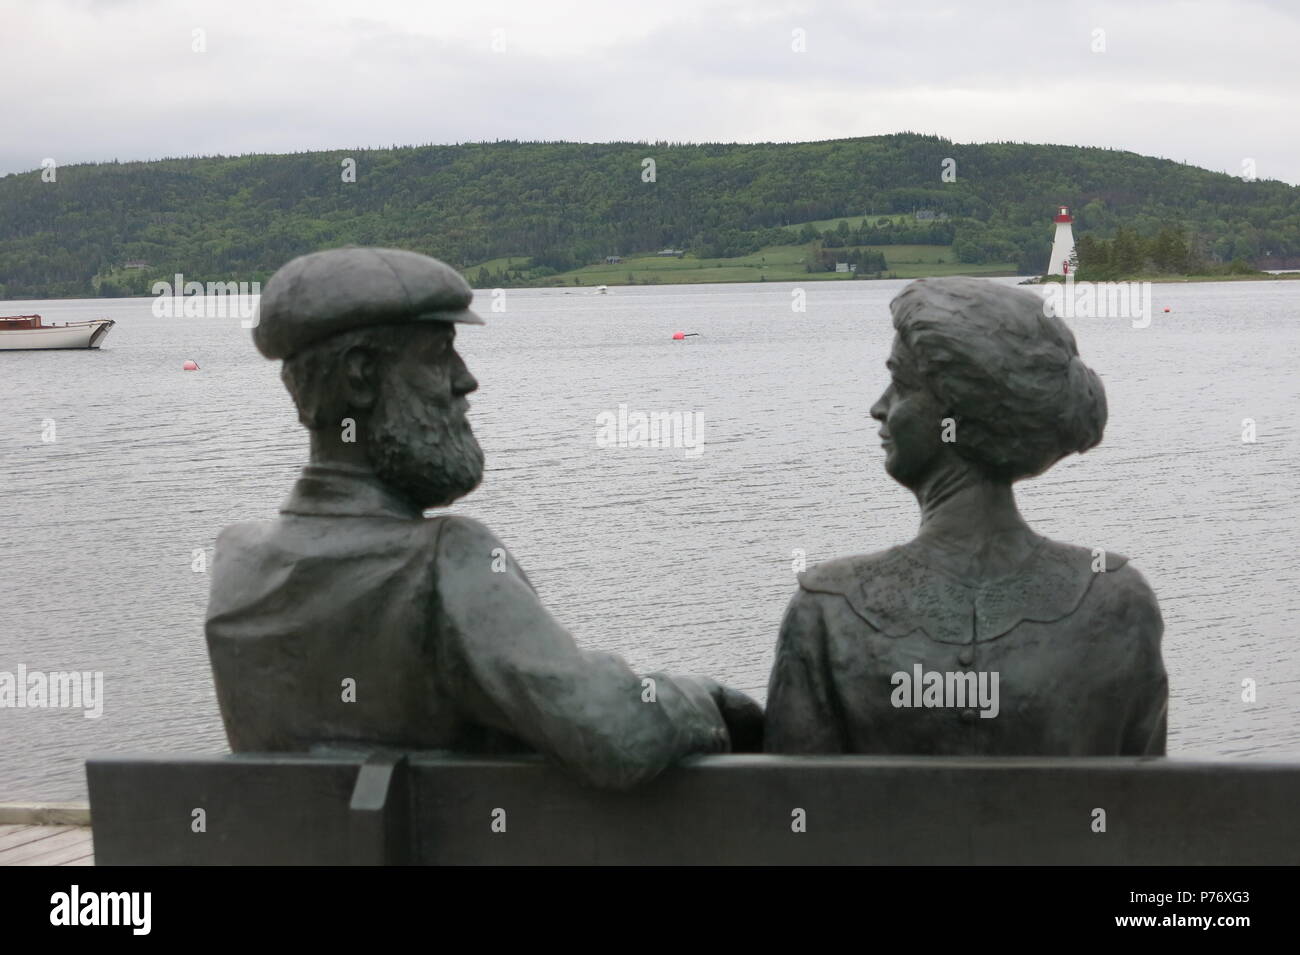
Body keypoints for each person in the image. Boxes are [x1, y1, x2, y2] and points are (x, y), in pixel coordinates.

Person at [205, 246, 761, 790]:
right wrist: (705, 700)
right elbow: (614, 732)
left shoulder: (236, 562)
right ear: (361, 376)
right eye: (439, 353)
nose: (464, 381)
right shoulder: (447, 560)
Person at [764, 277, 1168, 756]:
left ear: (956, 413)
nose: (879, 408)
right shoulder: (1119, 600)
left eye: (900, 383)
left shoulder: (828, 608)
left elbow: (789, 811)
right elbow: (1141, 804)